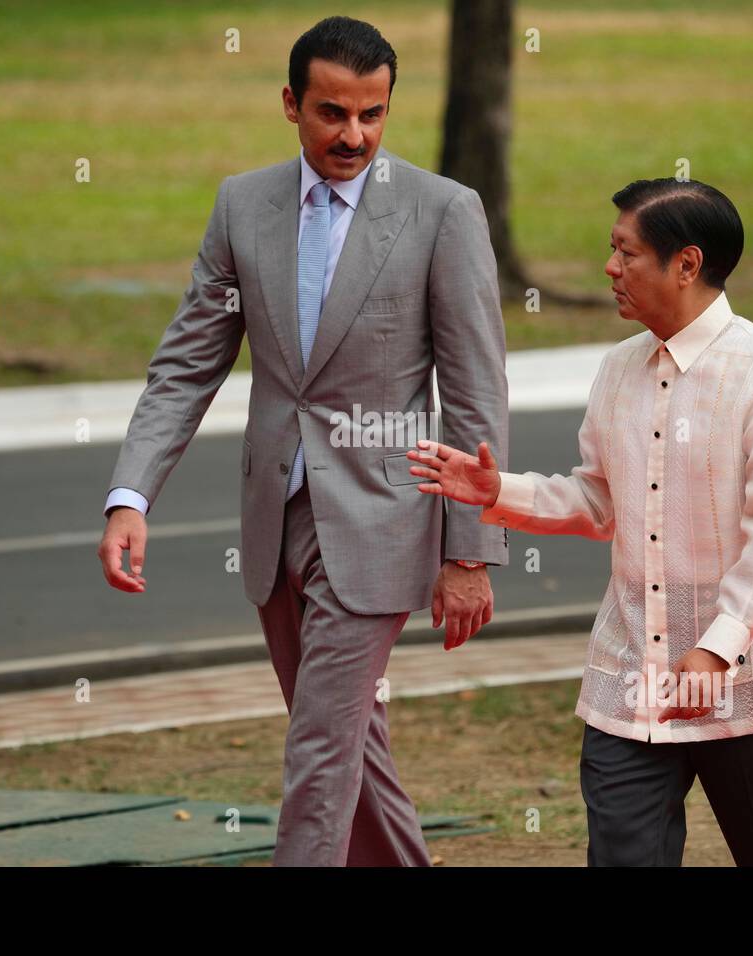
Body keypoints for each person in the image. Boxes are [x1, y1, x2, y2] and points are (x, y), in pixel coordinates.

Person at [96, 16, 509, 866]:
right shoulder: (241, 206)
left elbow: (475, 391)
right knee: (350, 741)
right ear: (290, 104)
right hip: (274, 517)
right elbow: (186, 366)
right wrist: (131, 495)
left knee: (319, 751)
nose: (353, 135)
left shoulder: (444, 212)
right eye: (331, 114)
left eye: (372, 114)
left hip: (385, 520)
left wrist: (470, 551)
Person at [407, 178, 753, 866]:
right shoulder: (619, 369)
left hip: (741, 668)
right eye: (611, 250)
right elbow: (598, 502)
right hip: (630, 669)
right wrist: (498, 491)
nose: (610, 269)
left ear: (687, 264)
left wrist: (716, 648)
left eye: (628, 253)